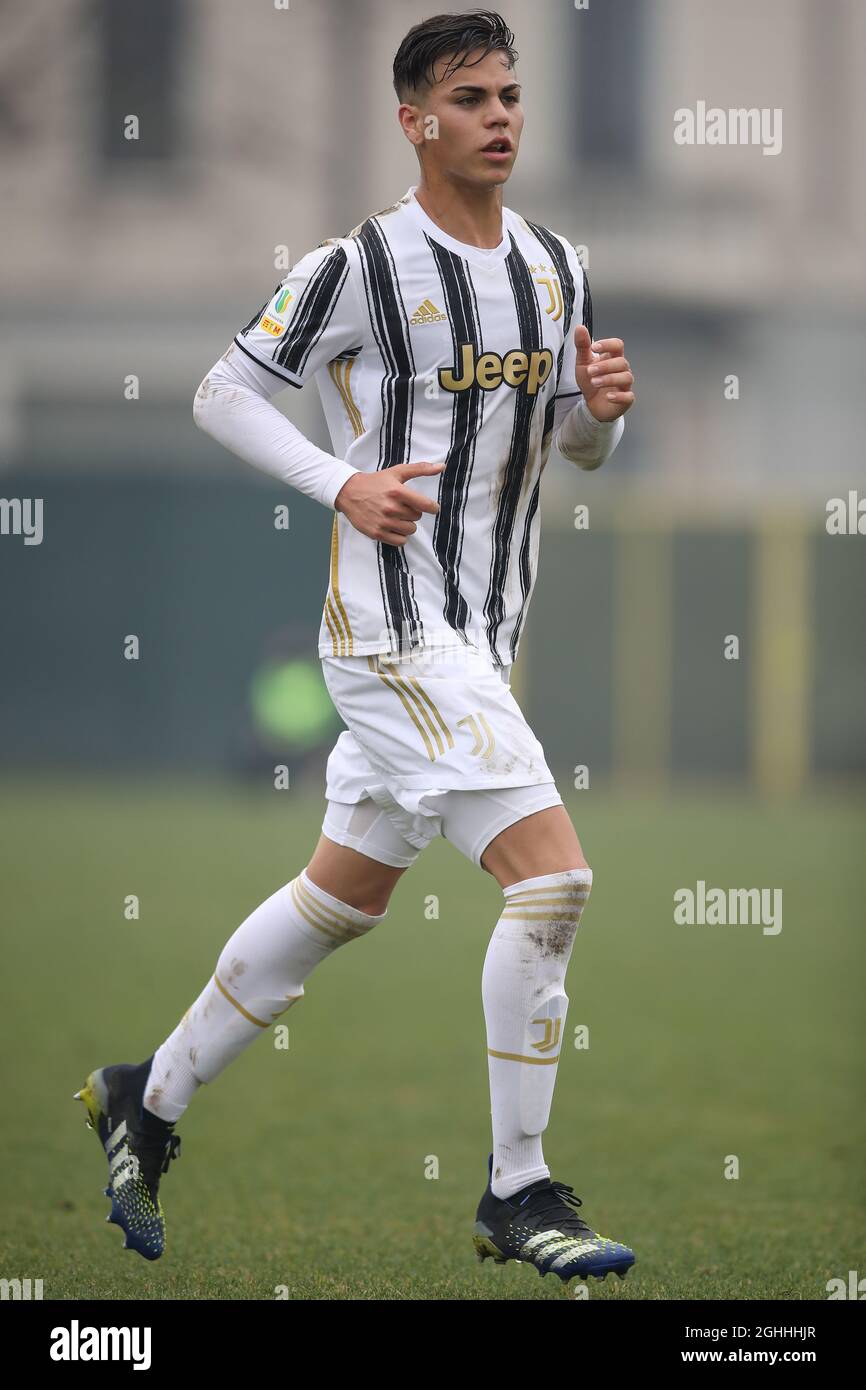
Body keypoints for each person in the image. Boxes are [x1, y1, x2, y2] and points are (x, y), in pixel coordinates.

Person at [75, 8, 636, 1287]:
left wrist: (600, 415)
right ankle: (516, 1188)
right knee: (551, 883)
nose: (498, 117)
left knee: (340, 899)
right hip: (389, 635)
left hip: (477, 639)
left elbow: (576, 445)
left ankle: (143, 1096)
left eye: (509, 95)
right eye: (470, 99)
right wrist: (341, 484)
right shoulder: (359, 264)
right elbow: (221, 391)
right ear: (414, 120)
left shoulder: (555, 266)